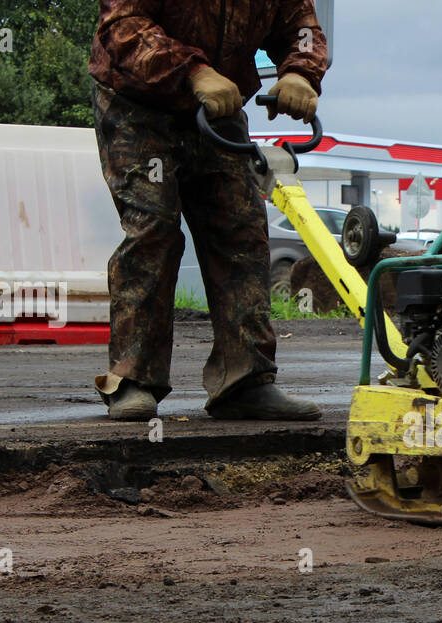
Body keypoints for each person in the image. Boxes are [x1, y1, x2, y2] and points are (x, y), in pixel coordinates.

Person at [88, 0, 329, 422]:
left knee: (241, 230)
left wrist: (300, 71)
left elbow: (300, 28)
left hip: (217, 109)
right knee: (154, 228)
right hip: (137, 104)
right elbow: (123, 26)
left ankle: (245, 381)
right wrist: (194, 72)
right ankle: (133, 379)